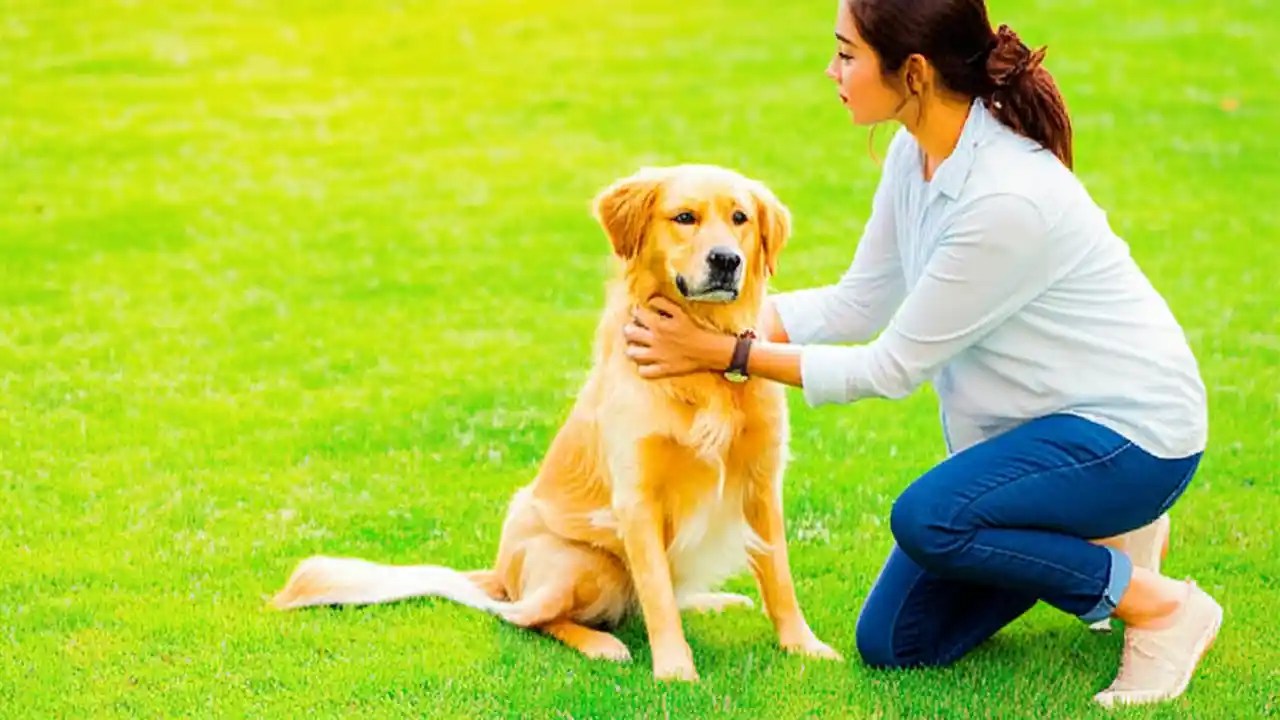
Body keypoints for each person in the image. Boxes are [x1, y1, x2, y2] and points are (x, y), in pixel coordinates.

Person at [621, 0, 1219, 707]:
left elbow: (890, 366)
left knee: (930, 518)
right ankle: (1105, 536)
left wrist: (729, 350)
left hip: (1132, 436)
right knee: (898, 643)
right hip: (1039, 437)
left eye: (846, 55)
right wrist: (696, 323)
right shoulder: (918, 151)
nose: (831, 70)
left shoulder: (1005, 199)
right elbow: (860, 301)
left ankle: (1161, 607)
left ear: (911, 71)